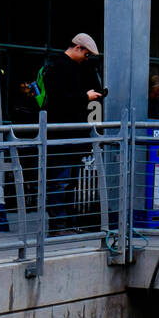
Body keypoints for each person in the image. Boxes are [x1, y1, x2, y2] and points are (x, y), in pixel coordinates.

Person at [37, 33, 104, 233]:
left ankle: (64, 223)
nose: (87, 58)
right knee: (61, 181)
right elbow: (59, 99)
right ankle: (59, 225)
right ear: (77, 47)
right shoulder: (59, 67)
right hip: (63, 135)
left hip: (70, 135)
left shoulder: (66, 67)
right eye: (86, 54)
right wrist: (85, 96)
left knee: (67, 182)